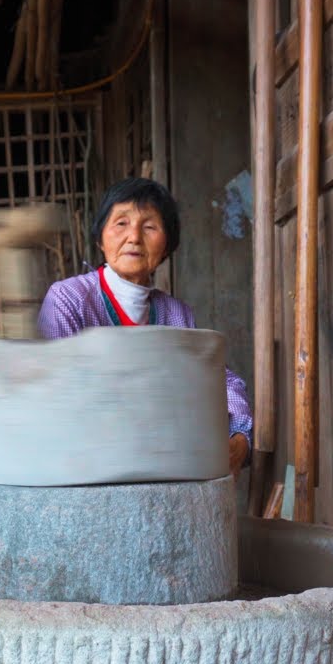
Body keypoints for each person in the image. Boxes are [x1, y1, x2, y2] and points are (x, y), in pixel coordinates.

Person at [37, 177, 253, 472]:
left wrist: (240, 434)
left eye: (149, 226)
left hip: (160, 463)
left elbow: (220, 380)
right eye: (121, 223)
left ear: (166, 247)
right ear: (101, 239)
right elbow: (55, 390)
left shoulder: (176, 315)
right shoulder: (68, 300)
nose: (134, 237)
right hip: (84, 465)